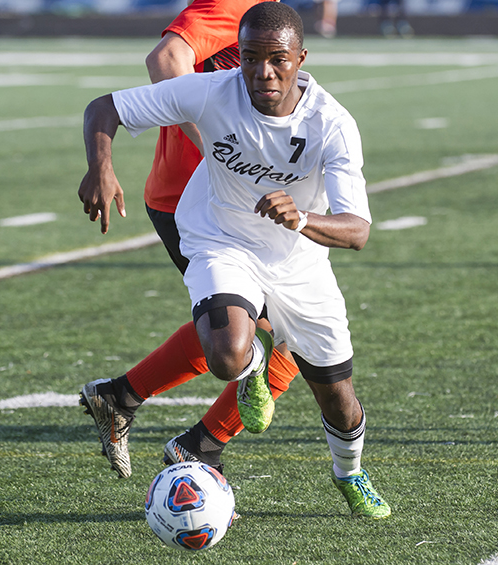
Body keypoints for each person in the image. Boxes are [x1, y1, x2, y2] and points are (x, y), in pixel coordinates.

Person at [78, 1, 391, 518]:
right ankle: (246, 376)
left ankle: (350, 473)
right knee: (226, 353)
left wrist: (303, 220)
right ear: (237, 57)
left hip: (298, 261)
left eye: (277, 59)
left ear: (301, 58)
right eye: (249, 58)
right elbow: (103, 107)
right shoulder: (212, 91)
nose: (262, 72)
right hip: (219, 237)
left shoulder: (331, 124)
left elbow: (357, 231)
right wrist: (102, 167)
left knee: (338, 398)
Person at [78, 0, 301, 481]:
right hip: (199, 200)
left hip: (229, 198)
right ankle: (198, 446)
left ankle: (123, 399)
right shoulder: (236, 2)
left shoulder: (272, 13)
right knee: (291, 334)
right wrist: (219, 151)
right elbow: (165, 59)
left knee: (249, 326)